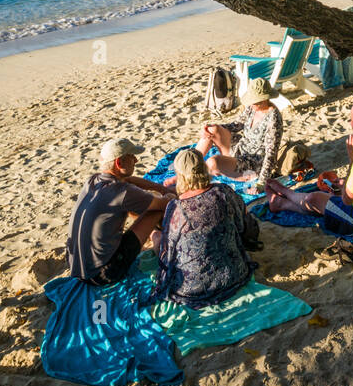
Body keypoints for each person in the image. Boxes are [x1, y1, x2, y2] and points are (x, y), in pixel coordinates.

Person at [265, 98, 353, 240]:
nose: (349, 123)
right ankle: (281, 202)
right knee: (331, 192)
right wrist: (345, 181)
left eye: (351, 120)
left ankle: (284, 195)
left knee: (314, 199)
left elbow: (347, 200)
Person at [151, 148, 261, 309]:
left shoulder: (176, 207)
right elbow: (243, 222)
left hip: (191, 290)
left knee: (157, 236)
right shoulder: (223, 191)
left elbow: (167, 253)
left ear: (180, 175)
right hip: (235, 274)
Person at [67, 137, 174, 286]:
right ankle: (165, 241)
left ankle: (155, 235)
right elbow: (165, 204)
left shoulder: (93, 180)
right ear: (119, 163)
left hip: (77, 268)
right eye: (131, 157)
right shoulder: (121, 192)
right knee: (154, 211)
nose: (136, 160)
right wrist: (169, 193)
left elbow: (129, 180)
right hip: (103, 274)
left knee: (141, 204)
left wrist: (160, 188)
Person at [191, 79, 283, 191]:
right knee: (212, 129)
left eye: (254, 101)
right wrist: (211, 126)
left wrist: (261, 183)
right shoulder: (252, 108)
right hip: (240, 149)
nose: (251, 104)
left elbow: (271, 154)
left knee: (212, 163)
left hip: (251, 164)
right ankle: (190, 167)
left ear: (264, 99)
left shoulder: (273, 119)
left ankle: (192, 177)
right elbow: (236, 125)